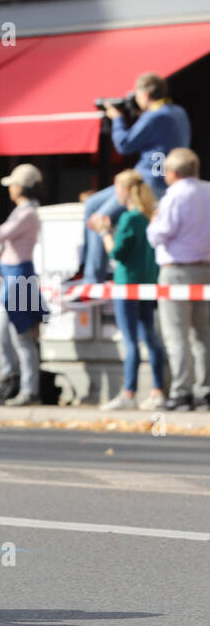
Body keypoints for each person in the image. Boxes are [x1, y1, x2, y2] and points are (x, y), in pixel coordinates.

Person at [81, 72, 191, 283]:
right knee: (92, 204)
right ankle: (87, 267)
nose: (135, 98)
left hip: (146, 183)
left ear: (147, 93)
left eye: (137, 94)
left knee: (97, 219)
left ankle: (92, 278)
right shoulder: (178, 112)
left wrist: (118, 119)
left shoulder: (154, 116)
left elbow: (124, 144)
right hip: (159, 181)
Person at [92, 170, 166, 410]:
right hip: (147, 282)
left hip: (127, 285)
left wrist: (104, 232)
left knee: (131, 339)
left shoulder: (129, 218)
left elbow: (116, 253)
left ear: (124, 190)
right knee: (150, 336)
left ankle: (129, 392)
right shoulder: (147, 217)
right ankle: (156, 390)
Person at [146, 147, 210, 411]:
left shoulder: (173, 196)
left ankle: (181, 391)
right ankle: (205, 391)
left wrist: (152, 222)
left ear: (172, 173)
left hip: (176, 270)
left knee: (176, 334)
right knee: (204, 334)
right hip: (205, 268)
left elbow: (159, 234)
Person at [0, 163, 45, 407]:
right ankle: (10, 382)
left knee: (21, 338)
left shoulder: (27, 213)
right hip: (11, 277)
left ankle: (29, 389)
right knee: (2, 337)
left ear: (22, 187)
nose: (10, 189)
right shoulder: (21, 212)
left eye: (14, 185)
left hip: (18, 277)